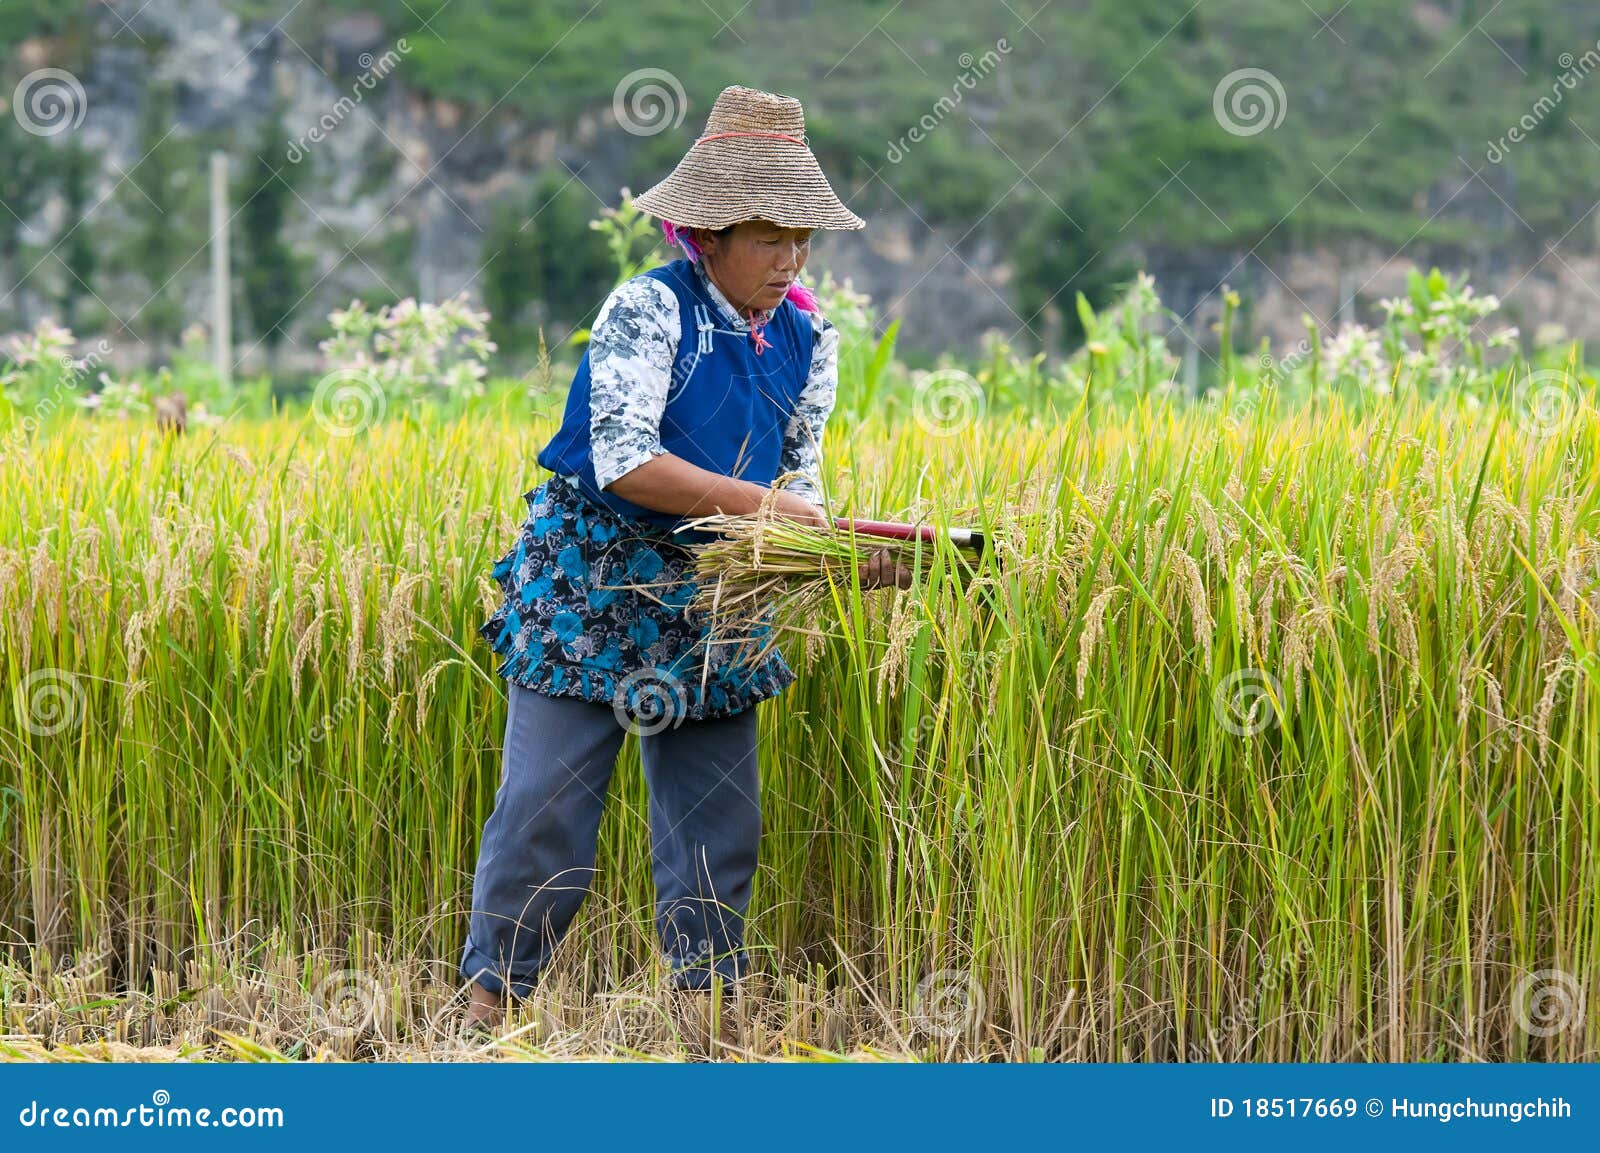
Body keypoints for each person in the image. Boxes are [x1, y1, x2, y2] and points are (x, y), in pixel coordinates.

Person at [459, 84, 910, 1032]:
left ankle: (709, 1017)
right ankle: (486, 1003)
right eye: (768, 235)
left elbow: (798, 481)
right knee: (546, 806)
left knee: (716, 822)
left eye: (802, 238)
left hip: (718, 596)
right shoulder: (648, 309)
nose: (790, 258)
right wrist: (777, 510)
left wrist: (841, 552)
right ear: (707, 233)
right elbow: (626, 460)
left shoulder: (808, 337)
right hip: (594, 587)